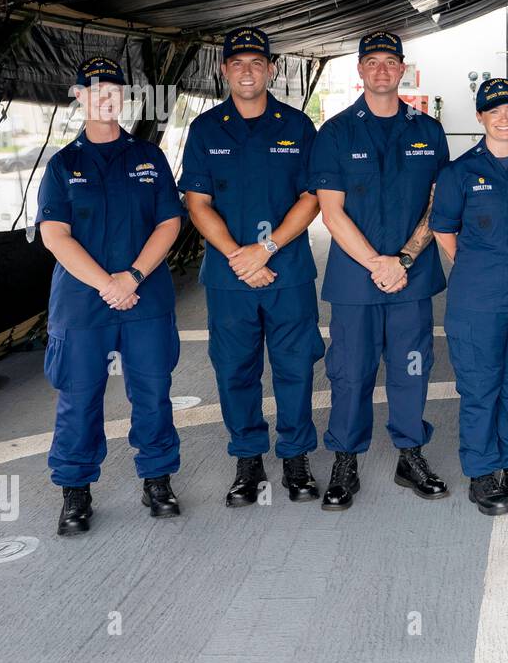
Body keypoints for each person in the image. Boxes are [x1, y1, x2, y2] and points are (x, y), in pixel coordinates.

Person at [37, 57, 184, 536]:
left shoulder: (149, 157)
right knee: (78, 399)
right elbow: (55, 236)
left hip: (145, 298)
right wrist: (108, 284)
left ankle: (157, 480)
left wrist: (133, 277)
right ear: (77, 95)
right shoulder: (63, 166)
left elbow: (170, 222)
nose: (106, 96)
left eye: (114, 90)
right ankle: (75, 492)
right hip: (83, 305)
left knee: (153, 393)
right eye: (94, 89)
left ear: (124, 97)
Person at [181, 27, 325, 507]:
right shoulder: (205, 130)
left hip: (287, 272)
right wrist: (238, 256)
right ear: (223, 70)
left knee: (295, 368)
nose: (247, 70)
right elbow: (197, 203)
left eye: (256, 62)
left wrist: (266, 249)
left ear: (272, 69)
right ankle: (248, 460)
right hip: (229, 278)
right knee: (235, 370)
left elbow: (312, 198)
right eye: (237, 63)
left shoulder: (298, 126)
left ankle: (296, 458)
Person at [309, 31, 449, 510]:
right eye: (373, 62)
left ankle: (410, 454)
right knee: (350, 371)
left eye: (391, 62)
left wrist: (404, 259)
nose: (383, 70)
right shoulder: (335, 133)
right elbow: (331, 212)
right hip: (356, 278)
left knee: (413, 368)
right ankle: (345, 460)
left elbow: (439, 205)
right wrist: (377, 263)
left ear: (403, 69)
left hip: (411, 276)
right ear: (360, 71)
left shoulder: (428, 131)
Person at [430, 78, 508, 515]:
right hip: (476, 298)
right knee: (481, 384)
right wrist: (473, 265)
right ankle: (482, 473)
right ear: (480, 117)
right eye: (494, 110)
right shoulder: (459, 173)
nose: (504, 118)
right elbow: (443, 229)